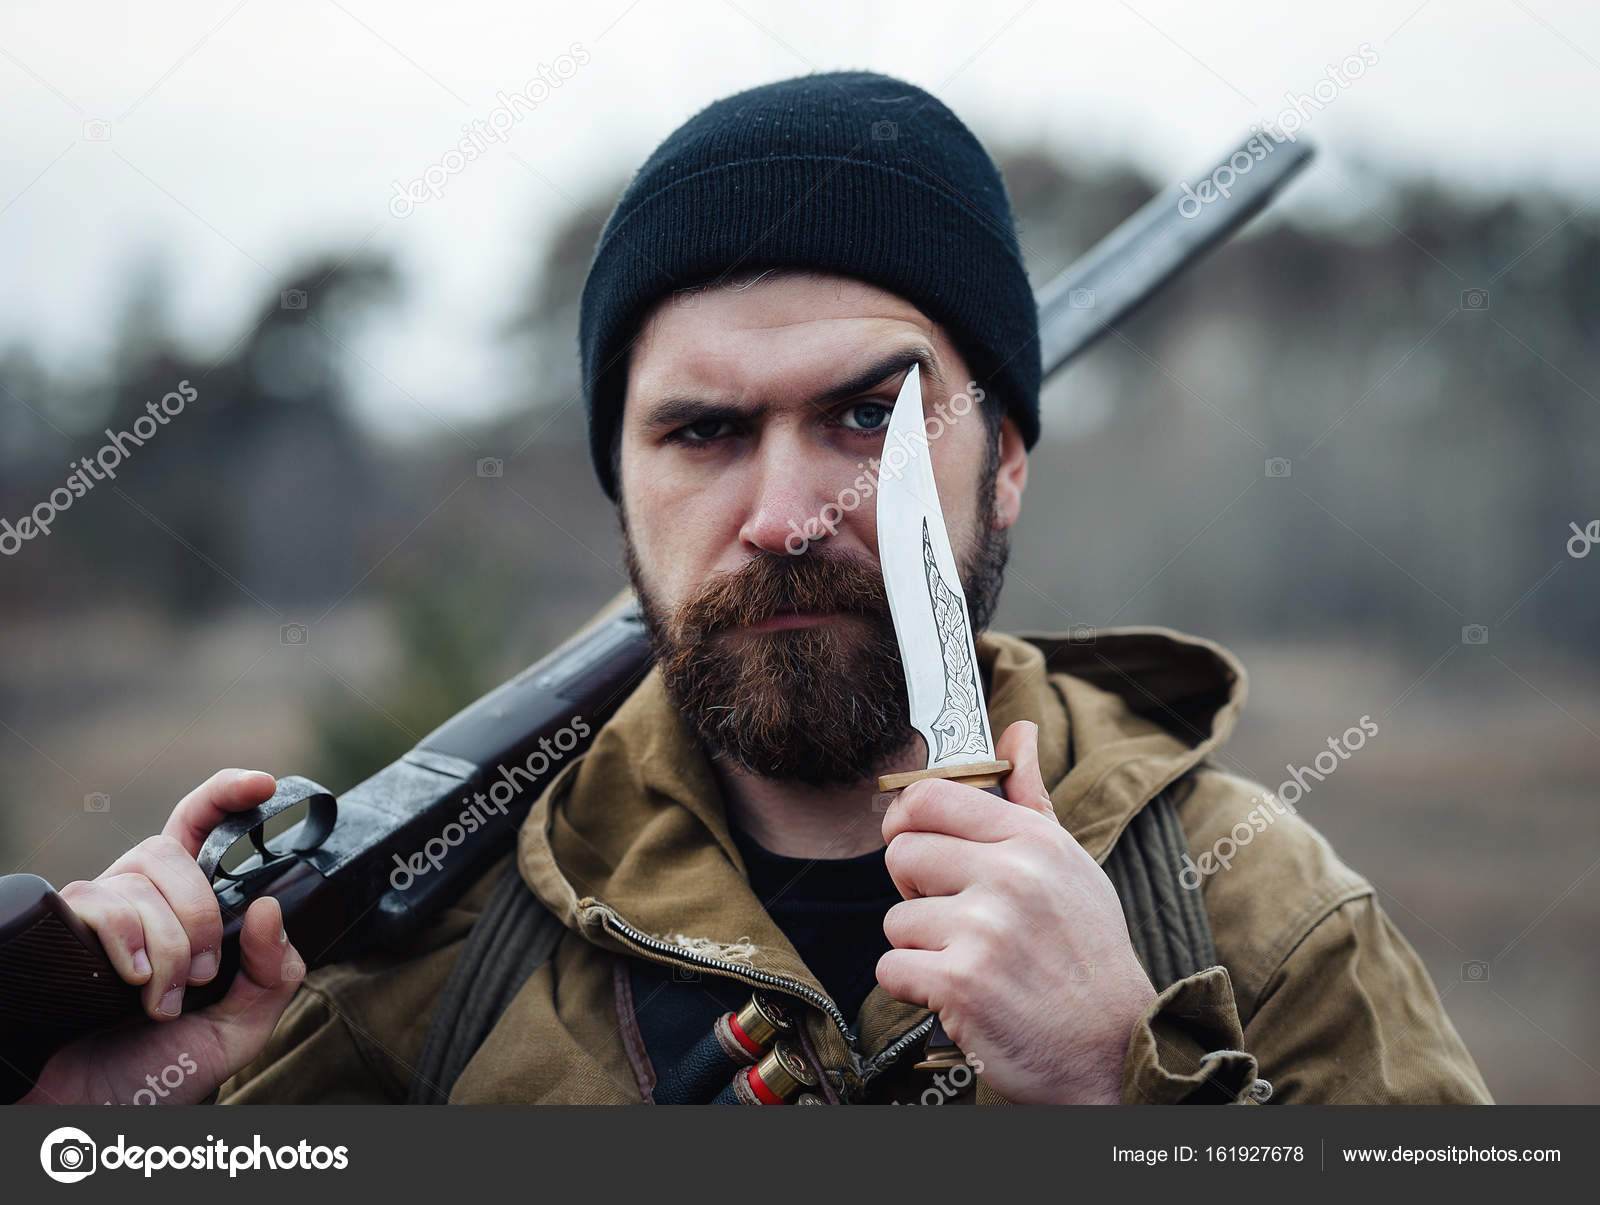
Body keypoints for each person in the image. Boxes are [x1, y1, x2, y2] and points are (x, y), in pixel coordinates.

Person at [18, 71, 1489, 1106]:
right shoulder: (413, 971)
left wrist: (1126, 1090)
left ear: (1010, 460)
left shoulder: (1258, 919)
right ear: (621, 480)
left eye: (867, 416)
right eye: (705, 431)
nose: (789, 515)